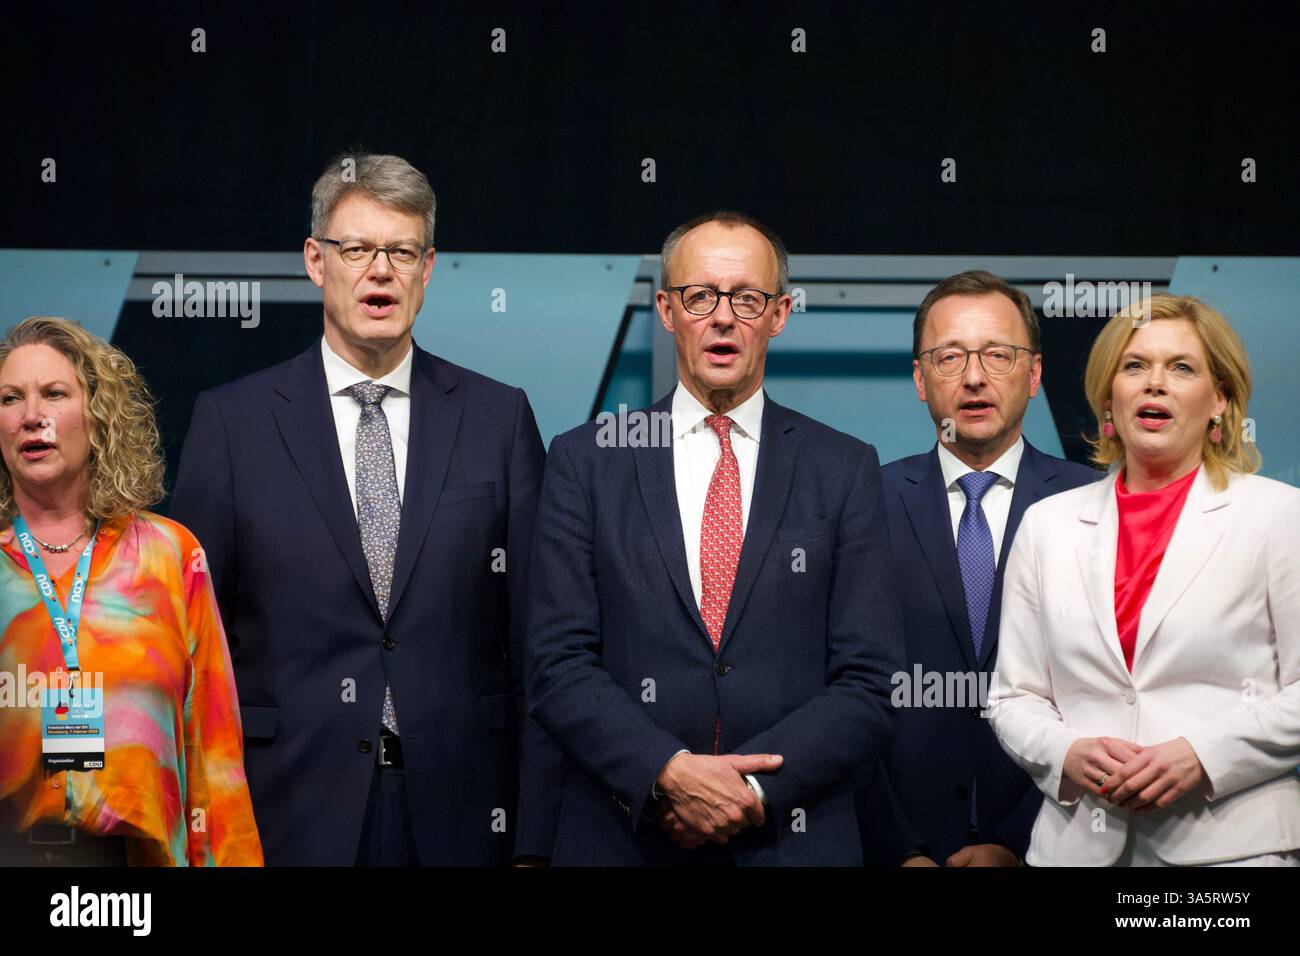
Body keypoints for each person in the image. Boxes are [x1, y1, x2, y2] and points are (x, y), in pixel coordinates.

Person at [170, 153, 561, 866]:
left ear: (428, 268)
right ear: (317, 262)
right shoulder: (233, 422)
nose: (380, 269)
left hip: (465, 812)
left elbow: (538, 643)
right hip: (284, 807)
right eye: (357, 249)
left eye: (402, 251)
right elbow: (194, 644)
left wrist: (535, 836)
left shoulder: (498, 418)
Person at [527, 211, 904, 866]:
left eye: (747, 298)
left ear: (780, 313)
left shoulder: (843, 468)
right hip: (625, 836)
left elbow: (870, 680)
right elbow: (556, 663)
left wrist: (751, 790)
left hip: (791, 839)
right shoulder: (586, 460)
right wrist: (666, 770)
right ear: (668, 310)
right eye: (701, 296)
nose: (723, 317)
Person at [988, 293, 1300, 866]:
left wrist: (1203, 755)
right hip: (1074, 848)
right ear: (1109, 398)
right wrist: (1068, 752)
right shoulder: (1047, 525)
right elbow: (1014, 697)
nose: (1155, 383)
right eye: (1135, 366)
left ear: (1220, 400)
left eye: (1181, 367)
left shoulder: (1280, 516)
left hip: (1233, 852)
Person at [856, 271, 1099, 867]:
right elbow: (838, 692)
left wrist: (1022, 843)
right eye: (948, 357)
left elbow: (1110, 697)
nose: (973, 377)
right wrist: (900, 849)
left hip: (1053, 845)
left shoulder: (1095, 505)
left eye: (998, 355)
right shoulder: (863, 502)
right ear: (919, 379)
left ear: (1035, 374)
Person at [0, 316, 261, 866]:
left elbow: (213, 758)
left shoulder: (170, 557)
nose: (31, 417)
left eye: (54, 394)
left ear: (97, 417)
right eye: (10, 399)